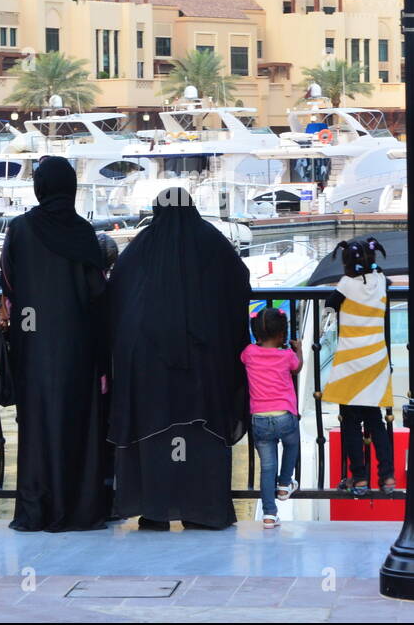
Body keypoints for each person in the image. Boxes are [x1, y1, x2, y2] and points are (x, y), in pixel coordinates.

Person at [108, 187, 251, 531]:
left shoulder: (141, 248)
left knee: (155, 434)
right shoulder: (212, 243)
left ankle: (154, 509)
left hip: (149, 367)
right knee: (199, 436)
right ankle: (202, 509)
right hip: (204, 363)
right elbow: (239, 286)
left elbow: (116, 297)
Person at [1, 156, 112, 532]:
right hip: (78, 347)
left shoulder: (20, 230)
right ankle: (79, 508)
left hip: (33, 347)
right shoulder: (83, 232)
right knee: (78, 425)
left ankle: (38, 508)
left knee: (37, 426)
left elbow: (9, 286)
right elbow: (99, 293)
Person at [321, 237, 396, 497]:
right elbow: (385, 283)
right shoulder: (381, 281)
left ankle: (360, 478)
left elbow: (331, 303)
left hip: (351, 362)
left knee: (351, 422)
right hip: (376, 359)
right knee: (375, 421)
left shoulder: (346, 285)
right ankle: (387, 475)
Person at [242, 307, 301, 529]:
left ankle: (268, 515)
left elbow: (244, 358)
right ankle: (285, 484)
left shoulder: (248, 353)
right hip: (284, 415)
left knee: (267, 467)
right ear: (281, 335)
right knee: (292, 444)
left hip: (259, 418)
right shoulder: (286, 356)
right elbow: (297, 368)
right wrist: (299, 351)